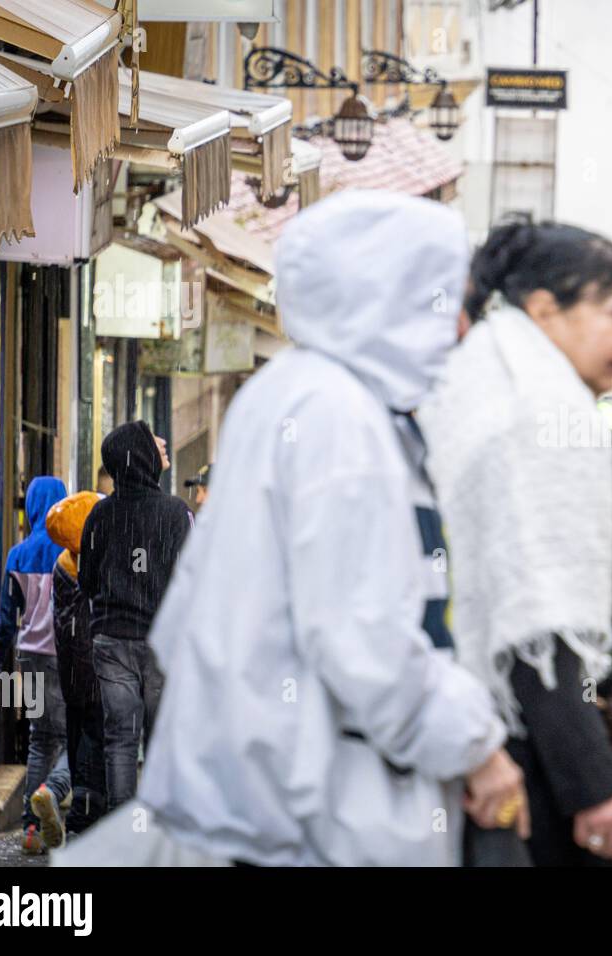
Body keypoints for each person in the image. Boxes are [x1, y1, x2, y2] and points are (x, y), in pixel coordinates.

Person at [112, 191, 524, 867]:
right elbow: (361, 637)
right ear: (388, 297)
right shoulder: (339, 415)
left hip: (257, 800)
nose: (457, 325)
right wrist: (476, 746)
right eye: (443, 297)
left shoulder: (298, 394)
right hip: (305, 814)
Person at [421, 219, 612, 867]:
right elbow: (537, 627)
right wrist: (593, 786)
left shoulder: (527, 397)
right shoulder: (531, 420)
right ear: (544, 310)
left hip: (541, 750)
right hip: (542, 767)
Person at [78, 421, 192, 811]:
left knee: (120, 739)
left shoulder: (99, 516)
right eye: (153, 442)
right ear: (143, 456)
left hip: (111, 640)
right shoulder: (176, 513)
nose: (162, 445)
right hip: (162, 642)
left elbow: (87, 580)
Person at [0, 476, 68, 854]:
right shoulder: (72, 549)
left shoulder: (17, 555)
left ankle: (32, 830)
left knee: (40, 740)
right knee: (75, 736)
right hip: (67, 657)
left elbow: (6, 621)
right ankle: (51, 793)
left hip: (30, 656)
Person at [44, 491, 109, 835]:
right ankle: (87, 820)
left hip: (70, 675)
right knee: (97, 750)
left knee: (77, 742)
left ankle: (77, 816)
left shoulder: (61, 566)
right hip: (99, 674)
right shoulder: (99, 567)